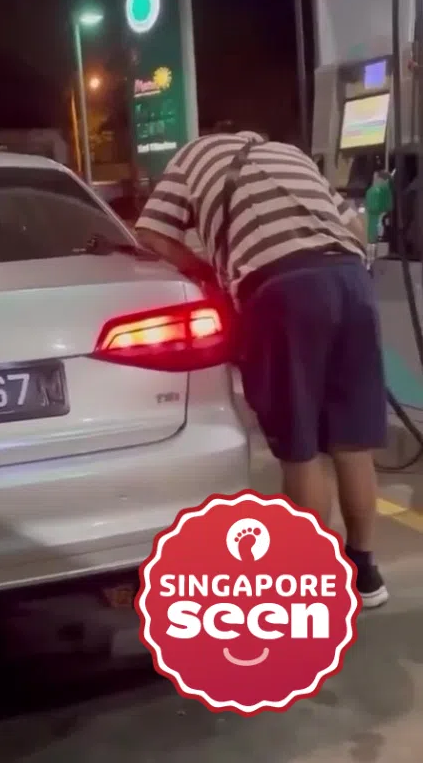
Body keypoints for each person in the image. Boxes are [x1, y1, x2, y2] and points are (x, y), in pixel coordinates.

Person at [134, 127, 389, 608]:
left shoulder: (189, 159)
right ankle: (365, 575)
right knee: (353, 443)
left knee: (301, 448)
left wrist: (205, 269)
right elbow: (354, 229)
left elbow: (152, 232)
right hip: (351, 281)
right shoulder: (288, 152)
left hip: (281, 289)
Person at [364, 169, 394, 268]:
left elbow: (373, 207)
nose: (375, 180)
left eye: (376, 178)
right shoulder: (379, 191)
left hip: (376, 225)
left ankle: (371, 265)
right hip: (375, 225)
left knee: (373, 244)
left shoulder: (378, 191)